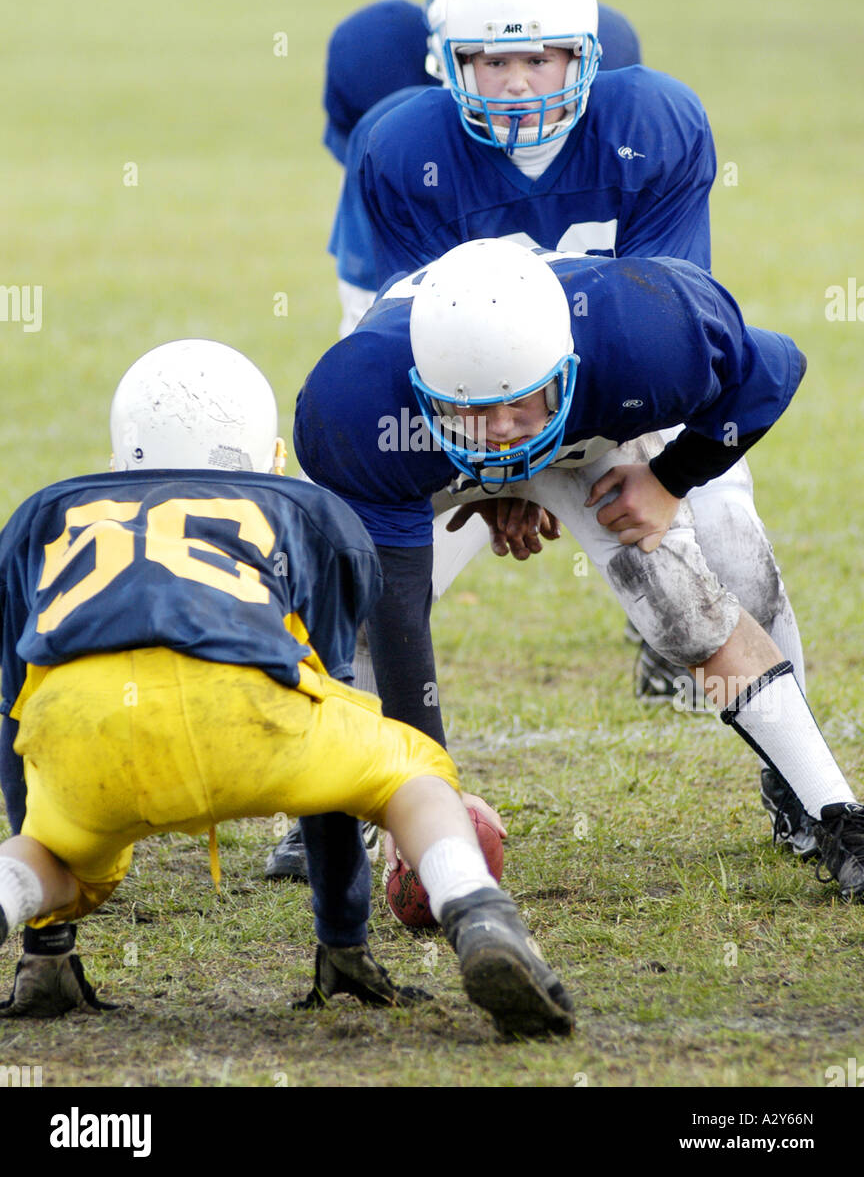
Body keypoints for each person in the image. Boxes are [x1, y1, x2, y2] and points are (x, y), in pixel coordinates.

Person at [321, 0, 813, 862]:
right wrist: (498, 469)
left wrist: (665, 477)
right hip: (469, 411)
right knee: (357, 580)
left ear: (585, 56)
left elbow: (671, 312)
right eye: (489, 59)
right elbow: (418, 332)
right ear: (447, 61)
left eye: (536, 55)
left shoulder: (648, 123)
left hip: (621, 394)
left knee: (736, 562)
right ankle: (346, 792)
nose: (513, 81)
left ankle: (799, 787)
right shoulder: (405, 145)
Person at [0, 338, 574, 1037]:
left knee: (52, 860)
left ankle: (20, 913)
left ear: (120, 457)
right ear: (269, 455)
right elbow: (325, 708)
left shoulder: (42, 515)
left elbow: (13, 712)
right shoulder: (306, 510)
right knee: (419, 775)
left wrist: (48, 931)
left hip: (80, 729)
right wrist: (343, 937)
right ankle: (478, 912)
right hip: (248, 708)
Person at [291, 241, 864, 922]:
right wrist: (424, 802)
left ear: (567, 367)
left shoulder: (644, 335)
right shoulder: (358, 404)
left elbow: (772, 368)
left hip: (586, 433)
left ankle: (838, 813)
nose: (501, 434)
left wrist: (669, 478)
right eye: (478, 412)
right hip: (428, 454)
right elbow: (399, 612)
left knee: (685, 607)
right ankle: (345, 809)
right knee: (351, 618)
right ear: (425, 389)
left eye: (520, 406)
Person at [323, 0, 642, 337]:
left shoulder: (616, 82)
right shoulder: (393, 120)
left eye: (537, 59)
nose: (517, 83)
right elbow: (373, 301)